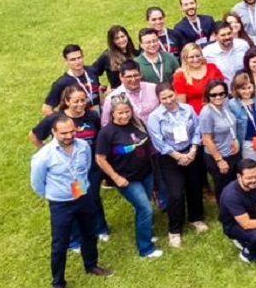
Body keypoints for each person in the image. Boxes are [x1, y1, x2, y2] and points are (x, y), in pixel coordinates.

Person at [31, 117, 112, 288]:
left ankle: (91, 265)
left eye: (72, 131)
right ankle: (58, 283)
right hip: (61, 204)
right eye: (64, 133)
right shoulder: (44, 155)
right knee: (60, 244)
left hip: (83, 196)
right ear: (54, 132)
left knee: (89, 234)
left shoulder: (83, 146)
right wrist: (54, 195)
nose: (69, 136)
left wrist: (83, 190)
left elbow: (85, 169)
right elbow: (37, 183)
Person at [95, 98, 160, 259]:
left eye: (127, 112)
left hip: (146, 173)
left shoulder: (137, 124)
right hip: (127, 179)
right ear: (113, 113)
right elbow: (100, 158)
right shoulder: (107, 132)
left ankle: (147, 233)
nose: (124, 116)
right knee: (145, 209)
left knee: (144, 206)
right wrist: (115, 178)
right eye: (120, 113)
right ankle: (146, 249)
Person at [147, 84, 208, 248]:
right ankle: (174, 230)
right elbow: (158, 141)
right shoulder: (155, 117)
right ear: (159, 99)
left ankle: (196, 218)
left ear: (175, 93)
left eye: (170, 96)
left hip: (190, 152)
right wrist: (178, 156)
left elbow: (197, 130)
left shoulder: (187, 109)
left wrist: (193, 150)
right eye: (163, 98)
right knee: (176, 193)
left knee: (194, 187)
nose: (168, 100)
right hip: (169, 157)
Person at [198, 80, 244, 198]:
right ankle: (225, 214)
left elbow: (230, 126)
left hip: (233, 153)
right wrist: (219, 160)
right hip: (219, 156)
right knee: (224, 189)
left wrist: (235, 140)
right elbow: (207, 139)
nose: (218, 97)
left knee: (237, 185)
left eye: (221, 93)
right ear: (208, 95)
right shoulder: (206, 113)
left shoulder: (226, 104)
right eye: (213, 95)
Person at [42, 44, 102, 115]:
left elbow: (98, 90)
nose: (77, 62)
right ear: (66, 61)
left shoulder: (92, 71)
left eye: (79, 58)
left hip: (98, 116)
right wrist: (63, 122)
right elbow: (46, 109)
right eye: (73, 60)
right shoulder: (62, 83)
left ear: (83, 56)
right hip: (79, 121)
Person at [172, 42, 225, 114]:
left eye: (198, 56)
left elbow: (223, 91)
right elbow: (182, 104)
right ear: (185, 58)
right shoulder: (180, 76)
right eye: (191, 57)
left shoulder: (212, 68)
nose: (195, 59)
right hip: (195, 116)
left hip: (217, 110)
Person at [101, 60, 159, 125]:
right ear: (121, 77)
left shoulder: (153, 89)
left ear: (140, 75)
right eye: (129, 77)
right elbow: (105, 124)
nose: (133, 79)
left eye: (136, 75)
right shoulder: (112, 98)